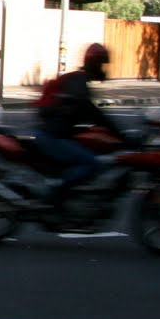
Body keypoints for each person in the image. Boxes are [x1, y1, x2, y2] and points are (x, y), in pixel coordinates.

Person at [33, 42, 122, 208]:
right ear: (95, 63)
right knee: (90, 163)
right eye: (102, 64)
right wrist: (122, 135)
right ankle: (56, 196)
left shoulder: (77, 80)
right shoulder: (79, 84)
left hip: (55, 133)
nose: (104, 68)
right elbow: (94, 113)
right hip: (52, 136)